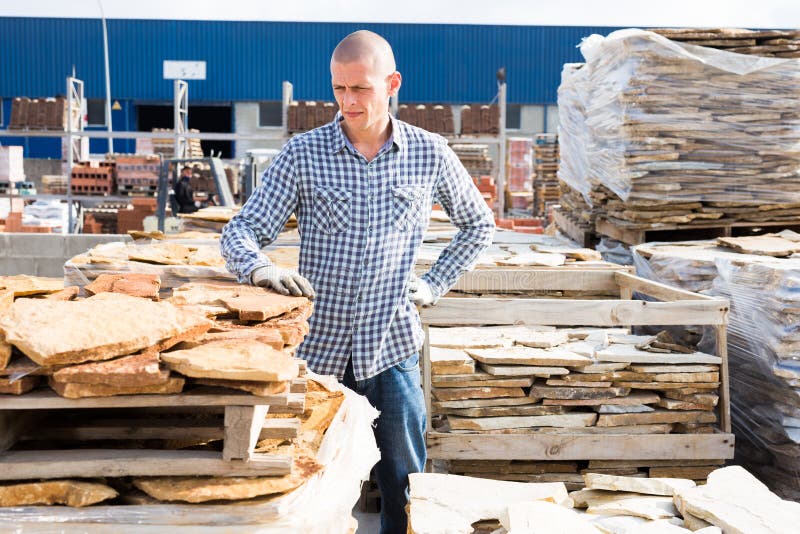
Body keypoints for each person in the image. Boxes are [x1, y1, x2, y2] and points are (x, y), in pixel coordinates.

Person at [221, 30, 494, 533]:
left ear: (392, 84)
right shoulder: (303, 154)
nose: (348, 101)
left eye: (361, 88)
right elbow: (242, 230)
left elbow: (478, 225)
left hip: (391, 352)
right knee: (305, 487)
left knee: (405, 490)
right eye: (339, 88)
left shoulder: (429, 153)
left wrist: (434, 284)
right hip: (317, 357)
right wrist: (261, 269)